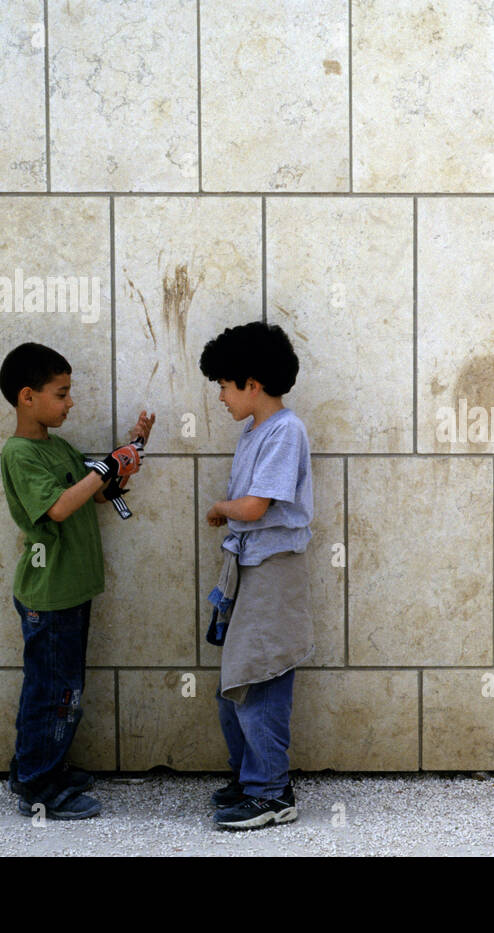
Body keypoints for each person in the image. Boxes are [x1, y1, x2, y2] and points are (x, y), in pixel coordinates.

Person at [0, 341, 154, 820]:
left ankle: (40, 765)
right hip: (49, 594)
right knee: (51, 690)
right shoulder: (21, 454)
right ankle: (38, 786)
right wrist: (109, 464)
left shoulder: (58, 447)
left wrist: (128, 456)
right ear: (29, 396)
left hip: (71, 591)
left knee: (63, 689)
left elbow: (96, 495)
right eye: (62, 394)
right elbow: (61, 506)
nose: (70, 403)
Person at [199, 322, 314, 831]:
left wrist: (224, 508)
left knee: (260, 675)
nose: (221, 397)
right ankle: (251, 779)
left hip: (272, 571)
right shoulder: (255, 431)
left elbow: (255, 504)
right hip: (250, 568)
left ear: (252, 382)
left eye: (224, 385)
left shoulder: (286, 430)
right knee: (239, 677)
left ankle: (271, 793)